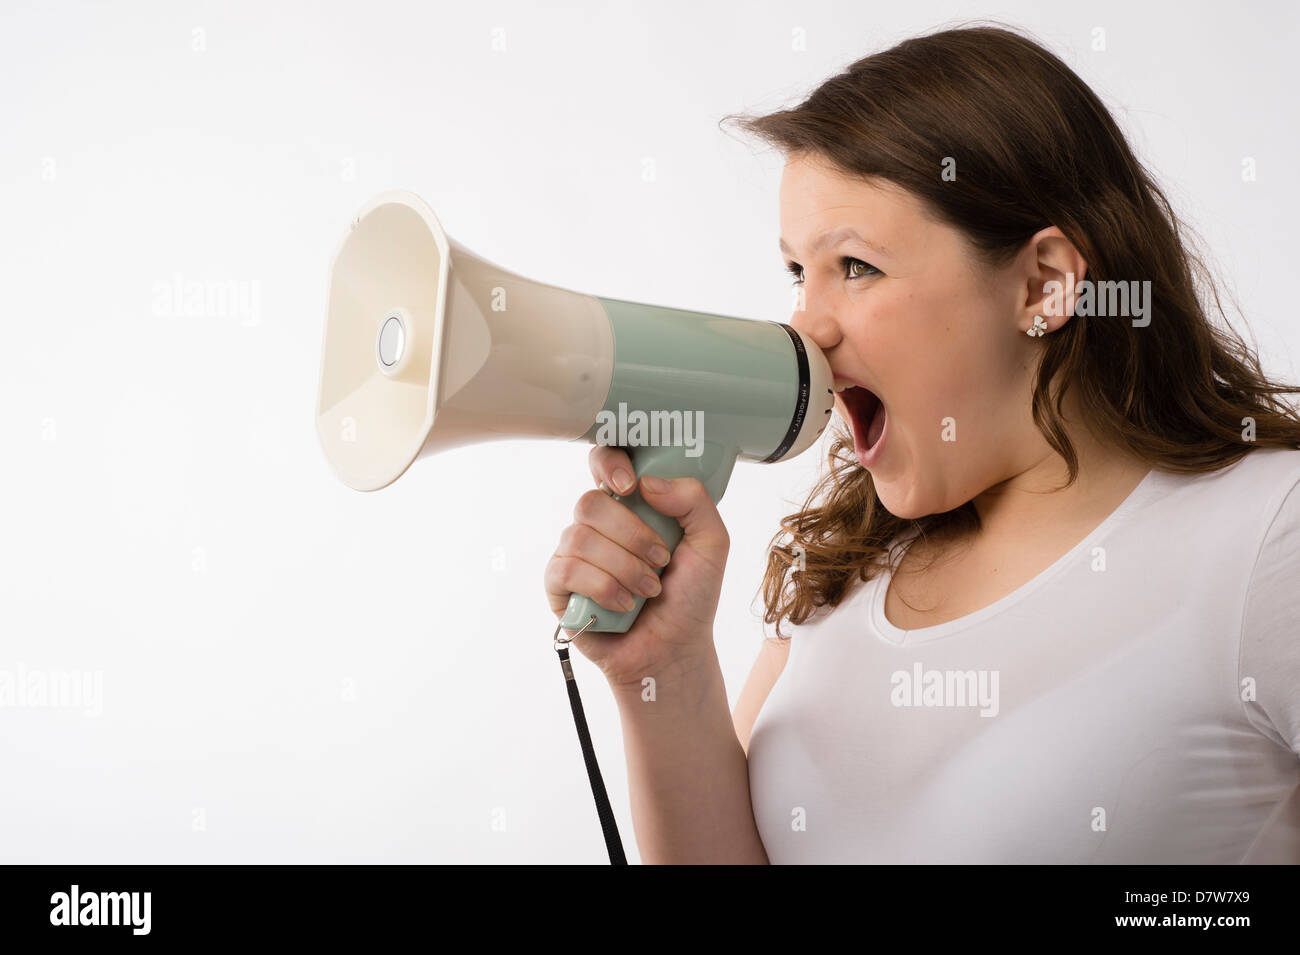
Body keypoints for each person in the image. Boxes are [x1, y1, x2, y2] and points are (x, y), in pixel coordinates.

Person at [543, 24, 1300, 864]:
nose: (806, 326)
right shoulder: (839, 569)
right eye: (799, 271)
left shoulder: (1269, 535)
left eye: (856, 266)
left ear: (1044, 284)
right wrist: (667, 673)